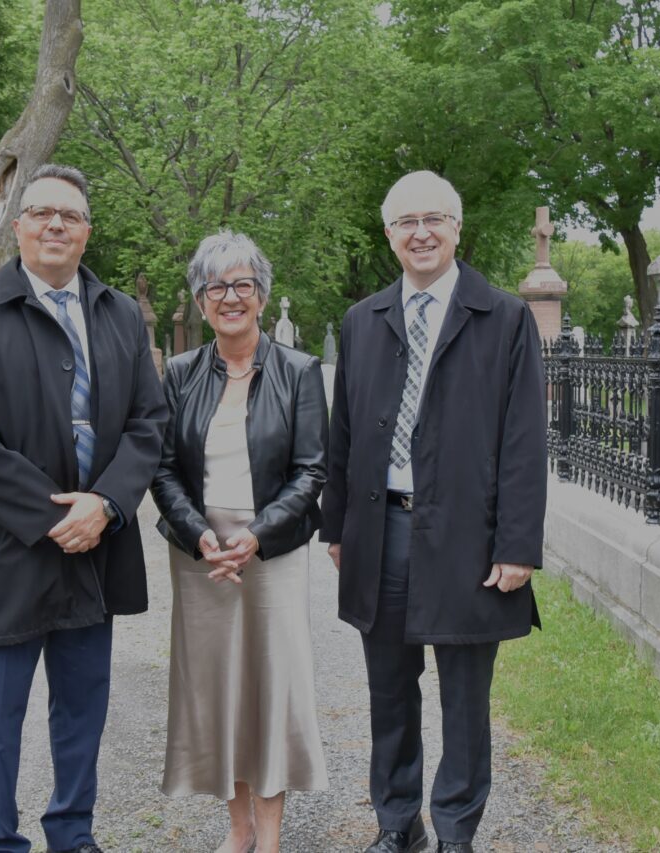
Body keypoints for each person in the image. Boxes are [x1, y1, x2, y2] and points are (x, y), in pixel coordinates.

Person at [0, 163, 167, 853]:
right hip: (9, 550)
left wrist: (105, 503)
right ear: (18, 226)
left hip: (97, 550)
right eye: (41, 212)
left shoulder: (120, 313)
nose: (55, 224)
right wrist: (53, 515)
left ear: (87, 231)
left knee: (82, 708)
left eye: (69, 214)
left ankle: (73, 831)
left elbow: (149, 423)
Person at [320, 171, 547, 853]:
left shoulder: (503, 318)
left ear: (457, 227)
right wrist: (336, 526)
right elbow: (345, 433)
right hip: (380, 529)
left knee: (464, 700)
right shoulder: (363, 321)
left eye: (434, 219)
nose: (420, 232)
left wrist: (518, 545)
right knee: (390, 690)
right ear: (389, 235)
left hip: (468, 539)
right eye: (405, 222)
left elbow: (524, 441)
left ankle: (455, 831)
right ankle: (397, 823)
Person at [152, 230, 329, 853]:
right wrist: (200, 536)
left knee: (272, 685)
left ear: (261, 294)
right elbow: (163, 468)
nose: (231, 297)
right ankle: (238, 827)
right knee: (219, 687)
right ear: (201, 301)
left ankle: (272, 835)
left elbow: (312, 470)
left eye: (243, 284)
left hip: (272, 550)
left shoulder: (300, 372)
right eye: (217, 286)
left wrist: (255, 536)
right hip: (200, 556)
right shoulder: (177, 374)